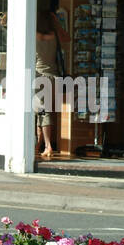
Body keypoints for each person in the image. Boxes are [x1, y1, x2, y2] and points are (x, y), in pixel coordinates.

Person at [34, 8, 69, 159]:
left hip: (40, 78)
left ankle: (48, 146)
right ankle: (37, 145)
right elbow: (67, 38)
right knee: (41, 111)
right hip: (54, 78)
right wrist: (56, 22)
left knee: (43, 112)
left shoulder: (34, 35)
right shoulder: (54, 35)